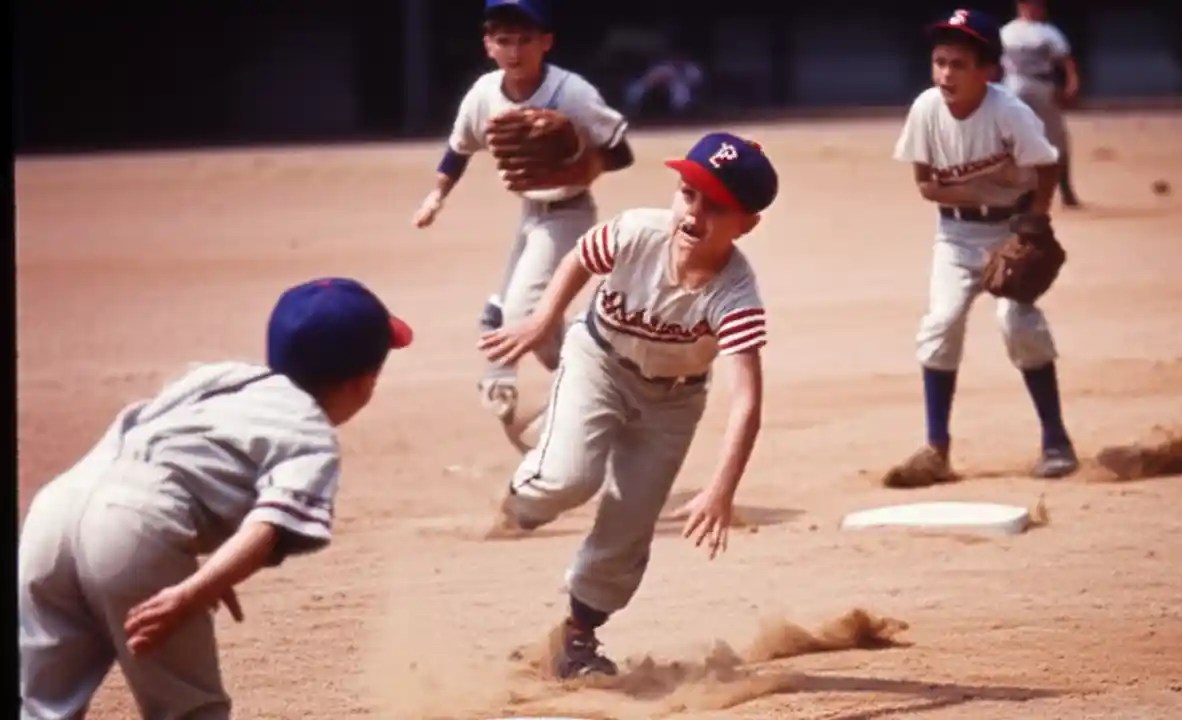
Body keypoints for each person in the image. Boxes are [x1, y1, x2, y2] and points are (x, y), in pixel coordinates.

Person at [18, 277, 413, 719]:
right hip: (131, 527)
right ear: (364, 382)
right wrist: (190, 592)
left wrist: (204, 569)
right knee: (191, 710)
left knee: (41, 707)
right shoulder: (310, 433)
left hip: (53, 512)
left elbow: (184, 452)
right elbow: (269, 526)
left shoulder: (222, 377)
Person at [478, 131, 778, 679]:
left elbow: (747, 401)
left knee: (631, 521)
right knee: (568, 479)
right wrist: (543, 321)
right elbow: (577, 259)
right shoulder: (638, 231)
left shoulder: (736, 295)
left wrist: (721, 488)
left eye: (717, 206)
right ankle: (519, 500)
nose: (695, 212)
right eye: (689, 193)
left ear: (747, 224)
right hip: (599, 359)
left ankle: (577, 637)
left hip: (673, 401)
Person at [411, 0, 634, 441]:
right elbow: (458, 148)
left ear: (546, 42)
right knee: (525, 325)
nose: (515, 51)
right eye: (504, 40)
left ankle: (510, 380)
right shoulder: (484, 94)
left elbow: (620, 150)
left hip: (569, 214)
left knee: (519, 310)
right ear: (488, 45)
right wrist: (436, 196)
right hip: (529, 214)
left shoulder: (572, 93)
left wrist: (584, 167)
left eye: (526, 39)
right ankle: (596, 366)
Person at [885, 8, 1079, 487]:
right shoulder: (926, 110)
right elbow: (926, 185)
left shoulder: (1009, 112)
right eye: (940, 61)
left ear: (988, 70)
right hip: (955, 236)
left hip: (1010, 229)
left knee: (1017, 321)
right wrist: (987, 190)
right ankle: (936, 450)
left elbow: (1047, 165)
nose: (946, 73)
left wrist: (1033, 224)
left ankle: (1056, 440)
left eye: (959, 64)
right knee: (940, 322)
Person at [1000, 0, 1083, 207]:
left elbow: (1065, 60)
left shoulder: (1047, 32)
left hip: (1042, 84)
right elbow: (993, 63)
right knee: (1012, 138)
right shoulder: (1007, 31)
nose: (1033, 8)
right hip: (1015, 84)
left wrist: (1072, 82)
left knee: (1056, 138)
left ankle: (1066, 190)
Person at [623, 52, 705, 117]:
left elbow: (695, 83)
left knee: (679, 90)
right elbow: (649, 79)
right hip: (655, 88)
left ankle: (680, 112)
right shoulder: (664, 67)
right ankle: (633, 109)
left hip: (680, 87)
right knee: (637, 87)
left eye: (680, 57)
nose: (678, 59)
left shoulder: (692, 68)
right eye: (675, 56)